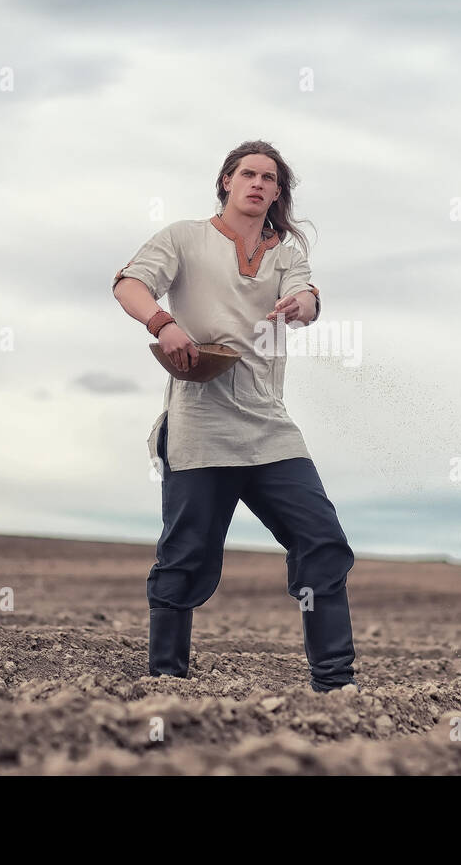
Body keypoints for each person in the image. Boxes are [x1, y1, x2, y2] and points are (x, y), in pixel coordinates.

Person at [111, 140, 358, 693]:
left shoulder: (286, 251)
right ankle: (167, 683)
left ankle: (336, 686)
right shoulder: (184, 238)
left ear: (278, 191)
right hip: (199, 425)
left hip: (269, 428)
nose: (258, 184)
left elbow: (308, 296)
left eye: (270, 178)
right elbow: (129, 283)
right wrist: (163, 324)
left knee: (323, 544)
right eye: (248, 173)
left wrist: (301, 306)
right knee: (185, 558)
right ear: (226, 181)